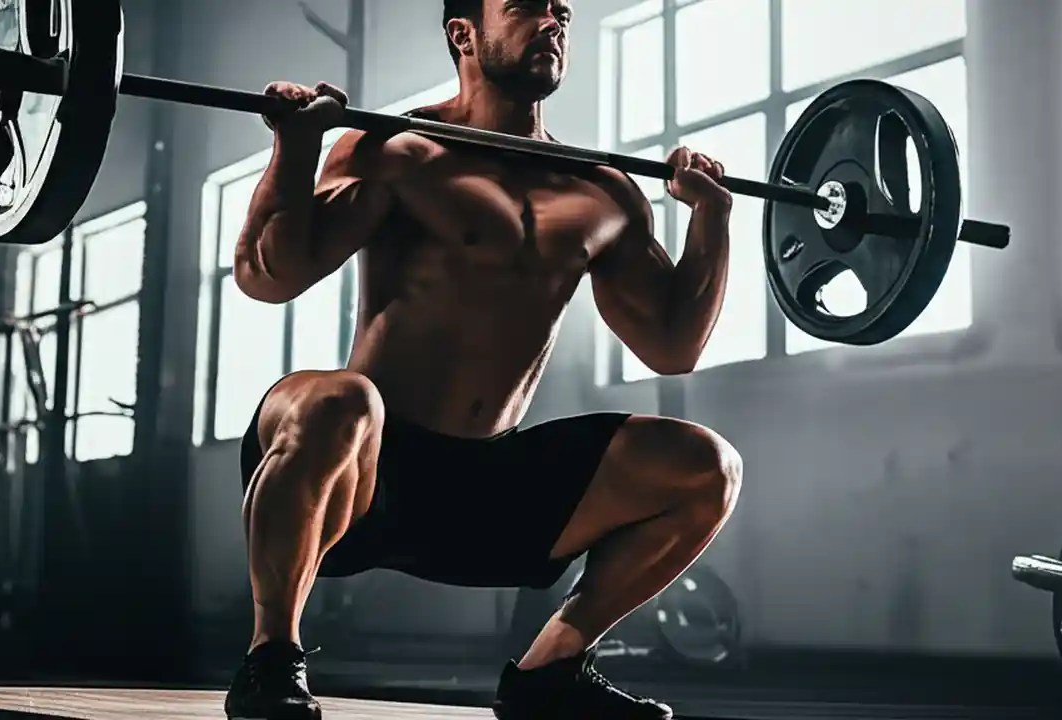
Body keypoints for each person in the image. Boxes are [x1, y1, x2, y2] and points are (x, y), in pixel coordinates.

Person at [224, 1, 742, 718]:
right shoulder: (398, 151)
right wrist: (295, 147)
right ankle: (270, 658)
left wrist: (711, 220)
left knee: (706, 466)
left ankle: (549, 672)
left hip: (485, 494)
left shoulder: (604, 192)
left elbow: (674, 345)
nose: (555, 21)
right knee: (340, 399)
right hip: (363, 475)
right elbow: (266, 275)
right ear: (463, 34)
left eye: (563, 10)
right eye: (529, 6)